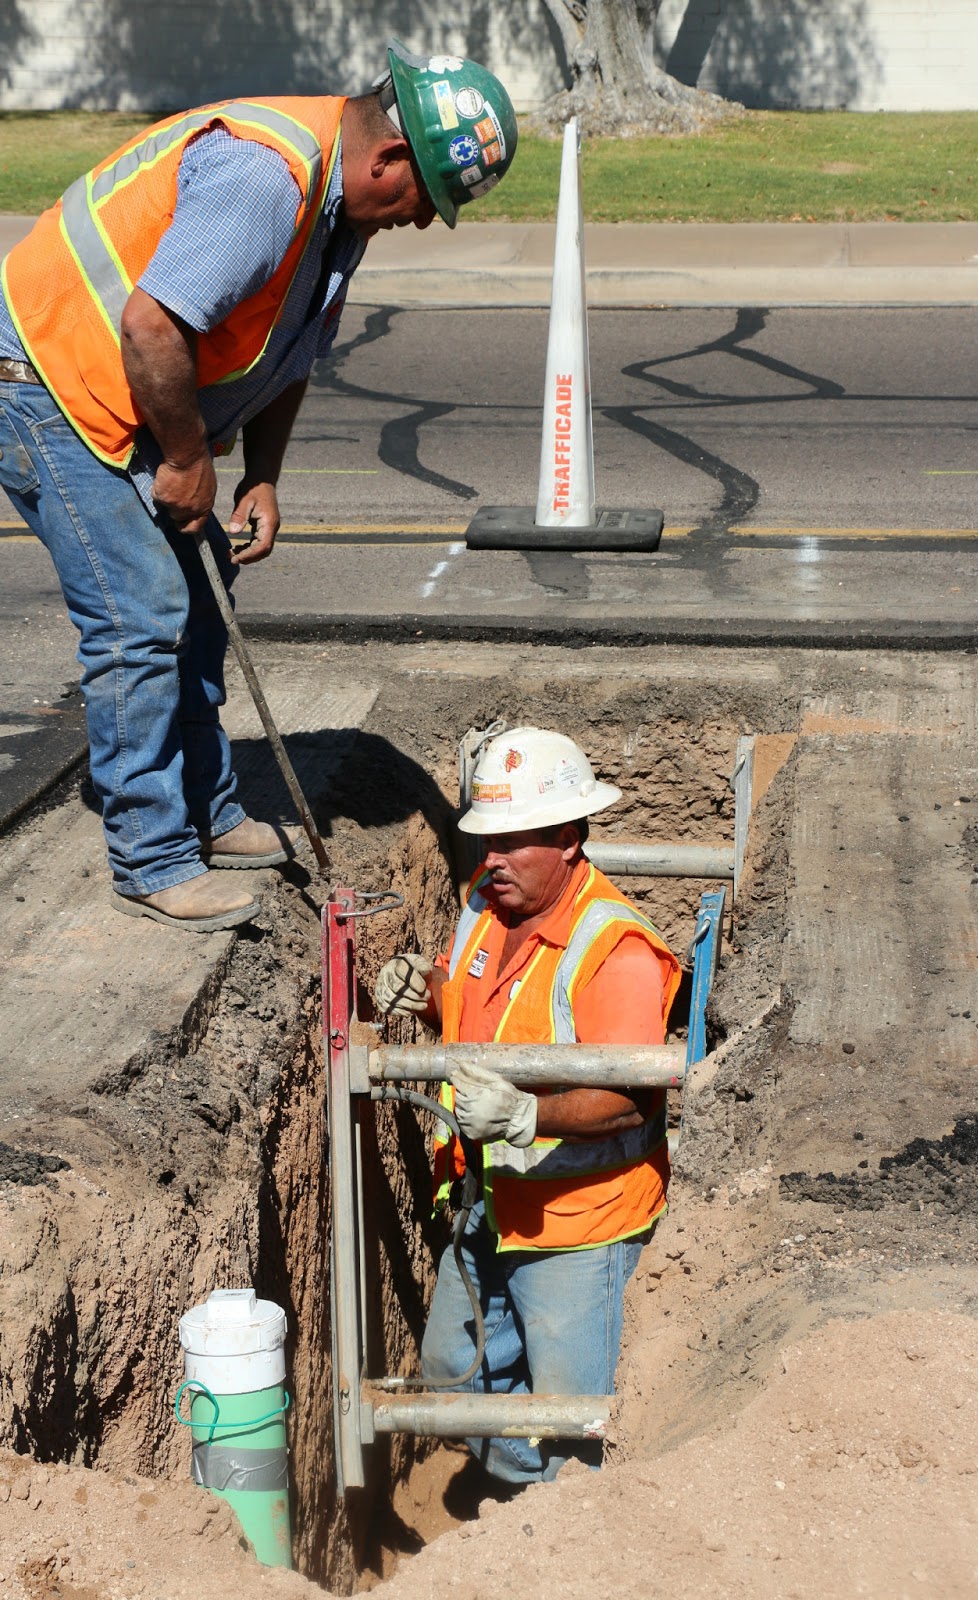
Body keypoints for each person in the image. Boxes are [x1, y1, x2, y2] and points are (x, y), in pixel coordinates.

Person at [0, 44, 516, 932]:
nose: (422, 222)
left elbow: (290, 355)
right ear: (388, 160)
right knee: (140, 614)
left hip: (131, 392)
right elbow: (152, 324)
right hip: (49, 377)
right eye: (425, 201)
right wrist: (191, 459)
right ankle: (152, 856)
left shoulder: (337, 219)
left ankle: (207, 806)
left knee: (203, 584)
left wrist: (261, 475)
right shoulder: (265, 183)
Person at [374, 727, 681, 1486]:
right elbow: (476, 1008)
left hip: (581, 1221)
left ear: (571, 838)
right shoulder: (485, 903)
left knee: (572, 1420)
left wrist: (524, 1117)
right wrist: (428, 994)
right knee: (454, 1372)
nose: (493, 858)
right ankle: (523, 1506)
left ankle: (558, 1535)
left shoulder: (617, 952)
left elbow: (628, 1098)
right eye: (486, 839)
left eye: (514, 842)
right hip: (493, 1198)